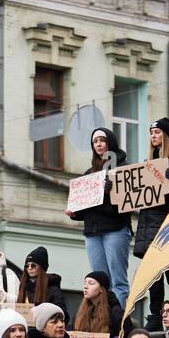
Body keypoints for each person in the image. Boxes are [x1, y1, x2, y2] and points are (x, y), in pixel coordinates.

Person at [70, 127, 132, 308]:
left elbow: (125, 204)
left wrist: (108, 192)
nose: (98, 144)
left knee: (117, 281)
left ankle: (117, 320)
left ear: (110, 142)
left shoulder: (122, 169)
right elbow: (84, 209)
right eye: (95, 141)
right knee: (99, 281)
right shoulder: (89, 173)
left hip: (115, 229)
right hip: (92, 232)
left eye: (102, 140)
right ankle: (101, 320)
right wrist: (75, 212)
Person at [136, 118, 169, 330]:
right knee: (153, 277)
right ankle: (155, 315)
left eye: (157, 132)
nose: (154, 136)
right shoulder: (147, 162)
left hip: (168, 224)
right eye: (151, 133)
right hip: (149, 225)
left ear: (165, 135)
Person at [72, 271, 124, 338]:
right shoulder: (80, 312)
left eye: (91, 283)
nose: (85, 286)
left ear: (101, 289)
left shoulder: (116, 312)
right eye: (85, 283)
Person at [17, 247, 68, 312]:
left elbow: (62, 314)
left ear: (42, 267)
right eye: (27, 266)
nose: (29, 268)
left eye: (33, 265)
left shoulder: (53, 290)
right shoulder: (22, 287)